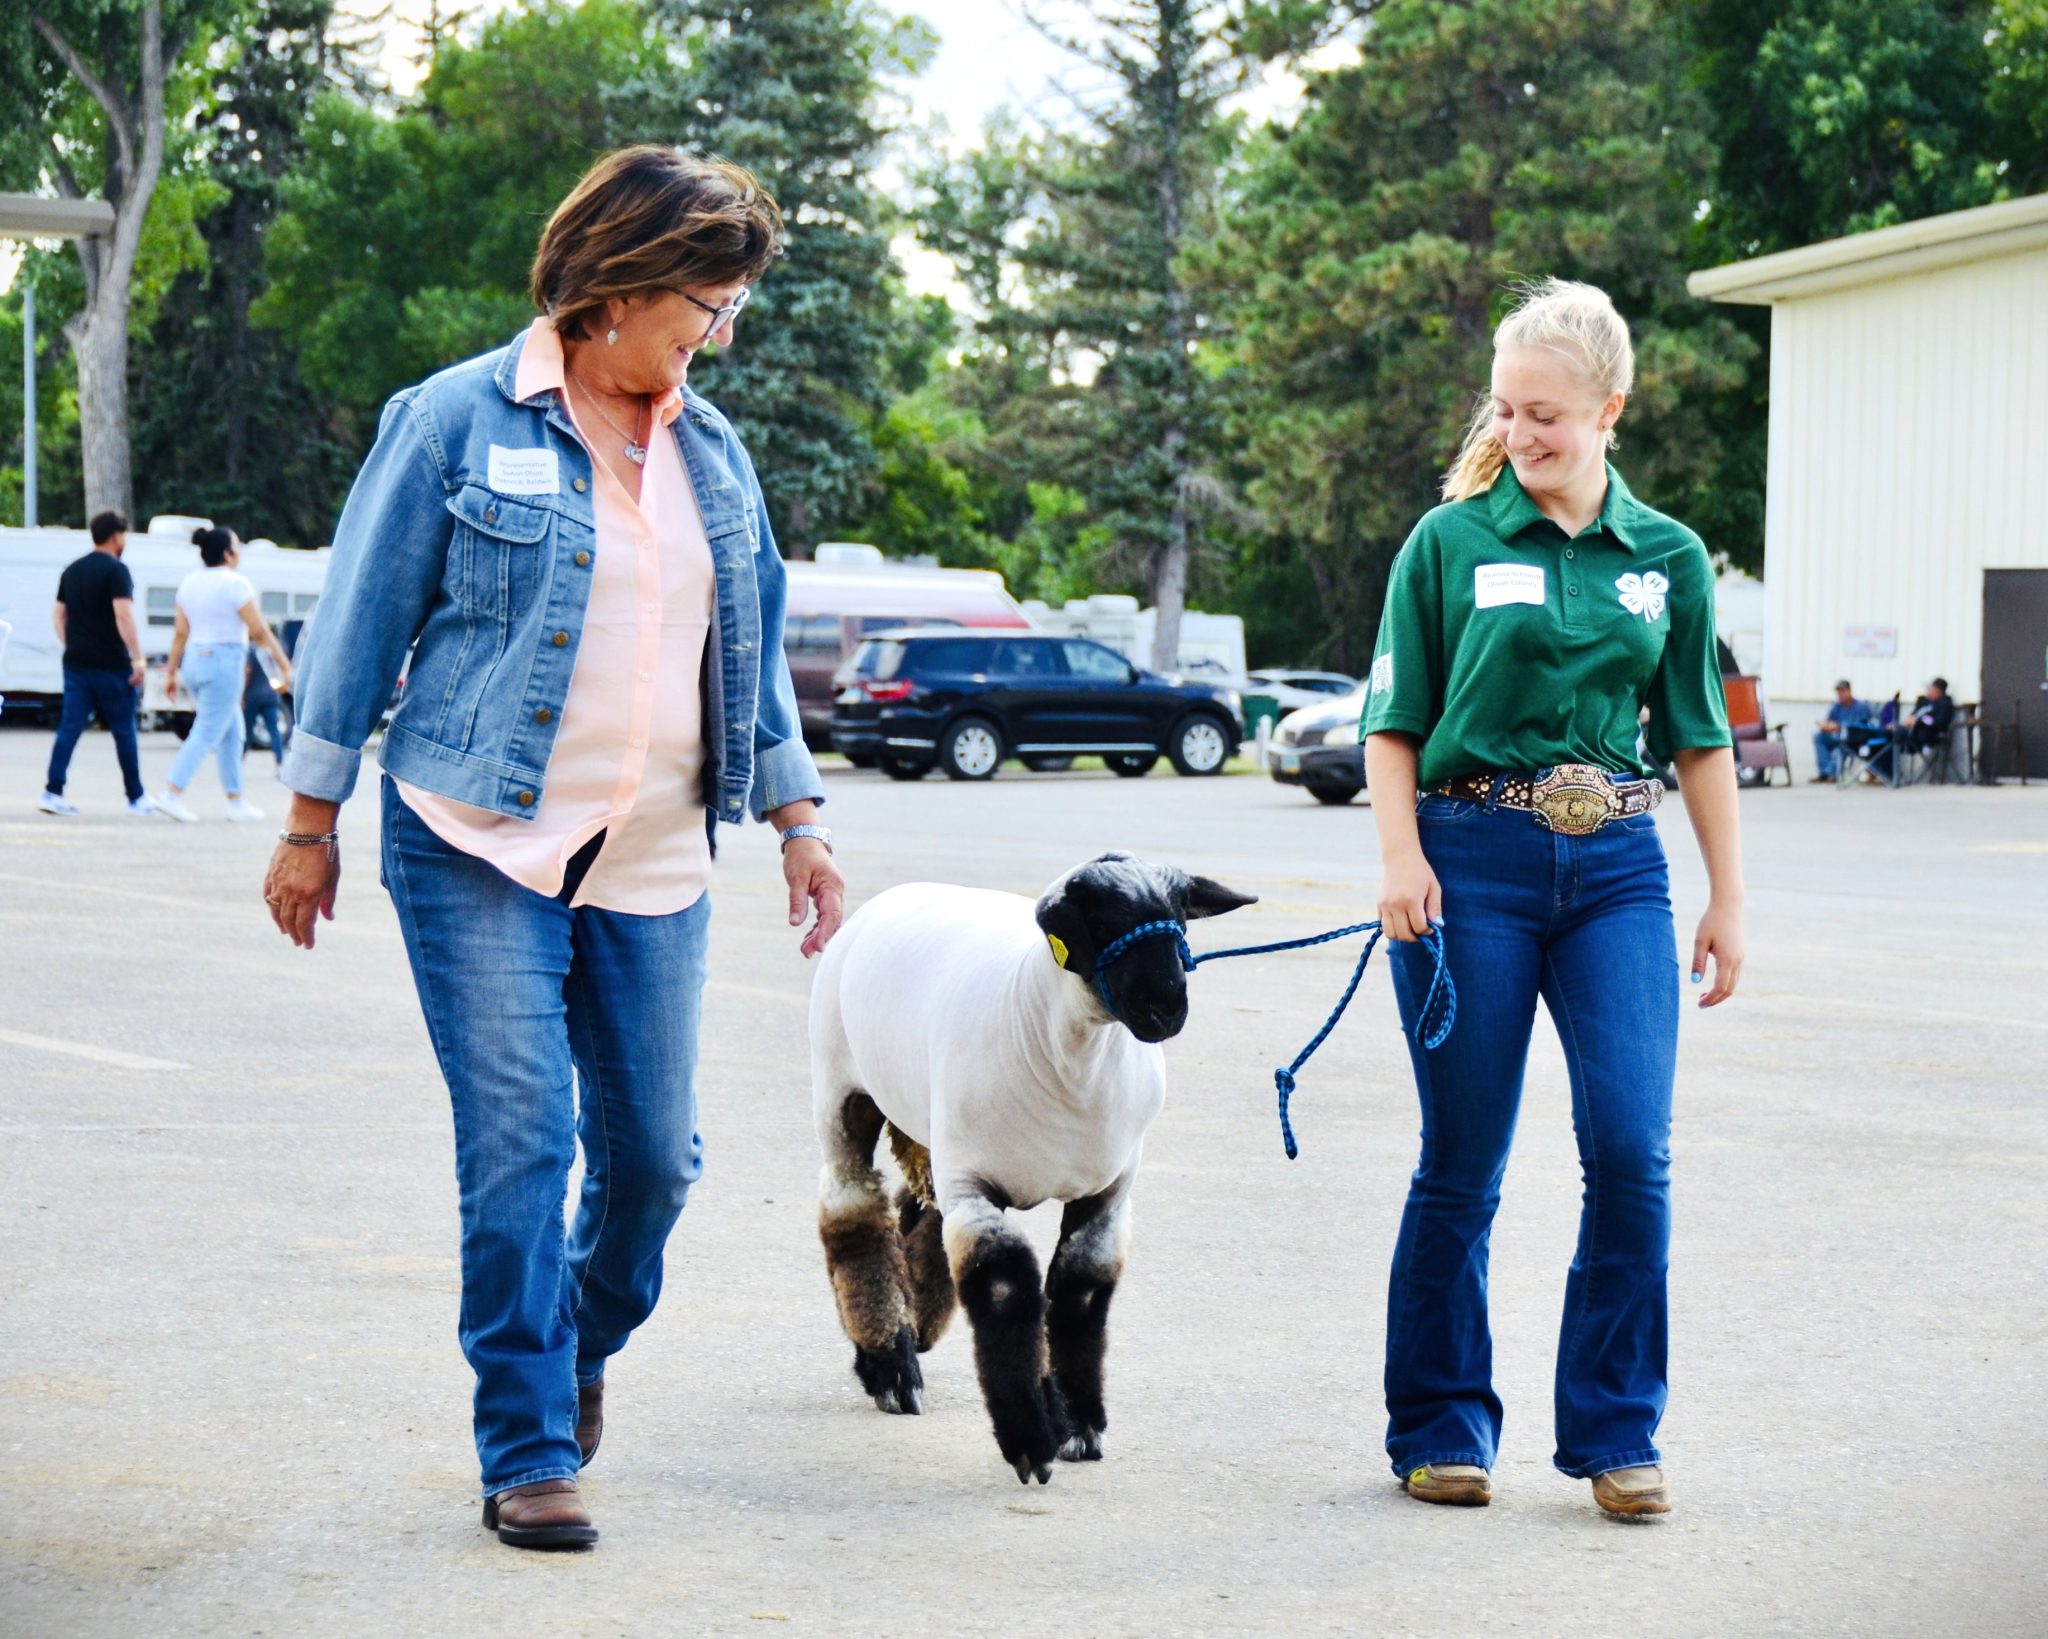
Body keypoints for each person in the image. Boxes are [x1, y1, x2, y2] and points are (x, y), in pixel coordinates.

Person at [262, 146, 845, 1551]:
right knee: (521, 1141)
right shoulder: (457, 419)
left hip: (655, 858)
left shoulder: (714, 450)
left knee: (651, 1160)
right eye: (710, 302)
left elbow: (747, 654)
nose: (721, 332)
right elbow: (359, 627)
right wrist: (309, 823)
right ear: (622, 283)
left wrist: (799, 819)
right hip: (476, 841)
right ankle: (525, 1440)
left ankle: (574, 1338)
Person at [1361, 279, 1744, 1519]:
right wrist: (1400, 859)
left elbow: (1696, 739)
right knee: (1462, 1160)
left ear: (1609, 410)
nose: (1521, 435)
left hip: (1619, 871)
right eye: (1508, 410)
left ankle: (1616, 1432)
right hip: (1467, 861)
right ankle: (1437, 1426)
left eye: (1548, 416)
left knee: (1630, 1152)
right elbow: (1392, 723)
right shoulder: (1449, 543)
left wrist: (1724, 898)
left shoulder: (1667, 558)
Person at [152, 526, 295, 822]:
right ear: (228, 554)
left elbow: (181, 633)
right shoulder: (236, 583)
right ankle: (171, 793)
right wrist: (284, 664)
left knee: (233, 731)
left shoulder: (189, 582)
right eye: (237, 547)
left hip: (194, 659)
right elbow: (258, 630)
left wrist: (171, 672)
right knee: (206, 730)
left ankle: (236, 800)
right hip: (223, 660)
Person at [39, 510, 153, 817]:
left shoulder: (72, 570)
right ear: (116, 536)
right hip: (112, 665)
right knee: (124, 731)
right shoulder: (117, 571)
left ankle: (52, 791)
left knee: (69, 728)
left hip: (76, 663)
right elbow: (124, 615)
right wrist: (138, 658)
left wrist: (72, 644)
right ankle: (136, 797)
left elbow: (57, 615)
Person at [1867, 677, 1956, 783]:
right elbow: (1912, 716)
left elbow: (1939, 724)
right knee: (1881, 738)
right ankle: (1882, 773)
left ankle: (1890, 776)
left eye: (1931, 690)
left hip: (1924, 737)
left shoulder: (1944, 705)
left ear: (1939, 691)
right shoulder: (1923, 702)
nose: (1928, 692)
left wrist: (1918, 721)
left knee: (1892, 740)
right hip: (1909, 732)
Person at [1810, 678, 1872, 782]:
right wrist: (1825, 725)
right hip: (1835, 735)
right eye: (1838, 692)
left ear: (1849, 691)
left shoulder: (1861, 707)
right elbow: (1829, 721)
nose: (1840, 694)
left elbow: (1861, 725)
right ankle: (1824, 773)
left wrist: (1839, 726)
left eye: (1842, 691)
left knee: (1842, 743)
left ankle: (1832, 773)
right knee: (1818, 736)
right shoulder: (1836, 706)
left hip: (1853, 739)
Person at [243, 651, 288, 768]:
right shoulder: (271, 648)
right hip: (271, 696)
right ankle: (280, 762)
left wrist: (241, 694)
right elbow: (284, 667)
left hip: (253, 696)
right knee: (274, 730)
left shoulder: (251, 649)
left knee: (247, 730)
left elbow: (247, 671)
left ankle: (239, 762)